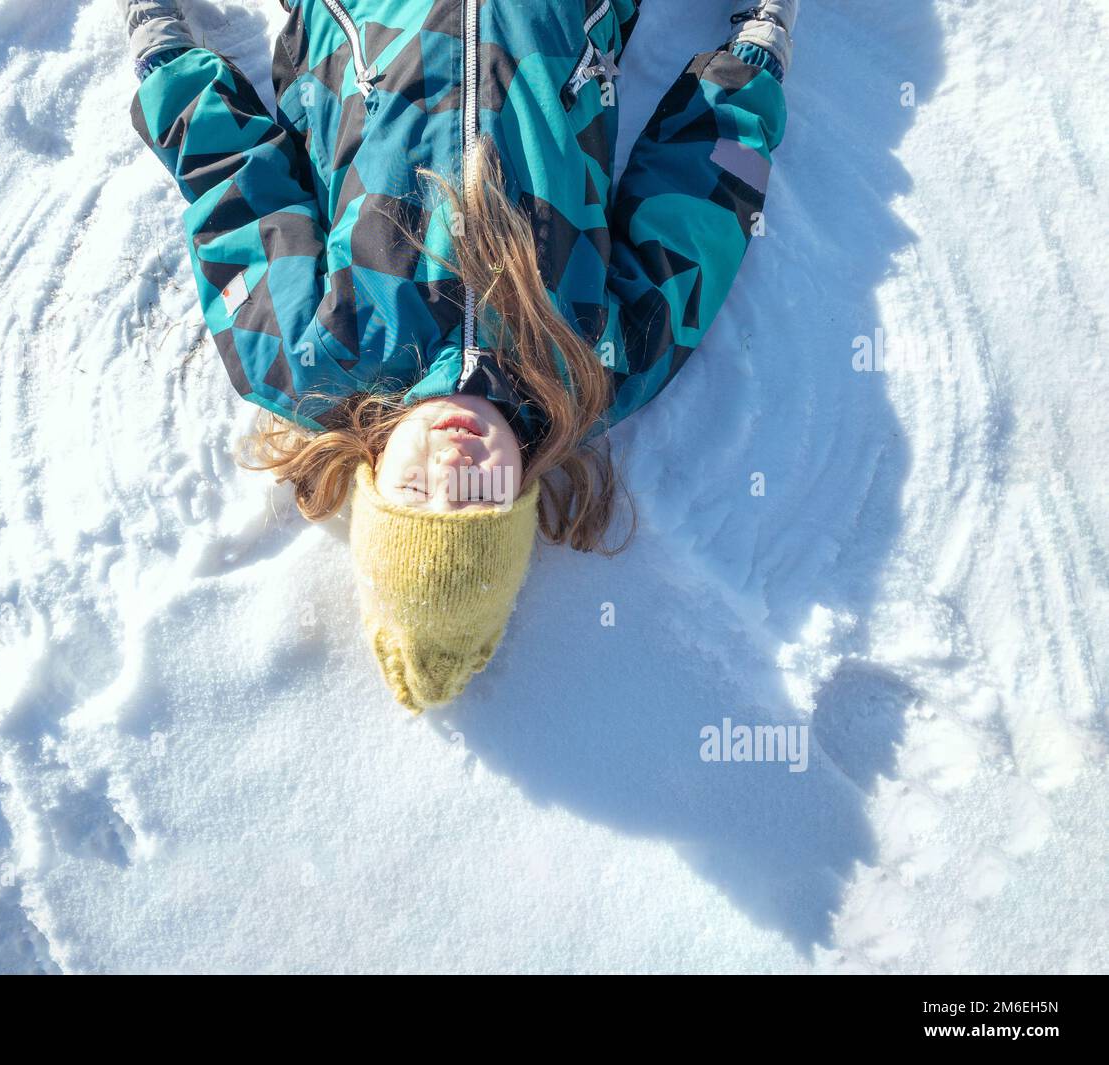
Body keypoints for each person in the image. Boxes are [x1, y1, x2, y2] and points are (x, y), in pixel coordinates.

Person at [116, 0, 798, 712]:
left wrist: (161, 47)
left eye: (417, 494)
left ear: (375, 481)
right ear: (521, 497)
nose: (454, 469)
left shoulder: (308, 357)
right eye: (480, 501)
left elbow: (233, 184)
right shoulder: (594, 363)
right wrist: (759, 47)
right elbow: (695, 201)